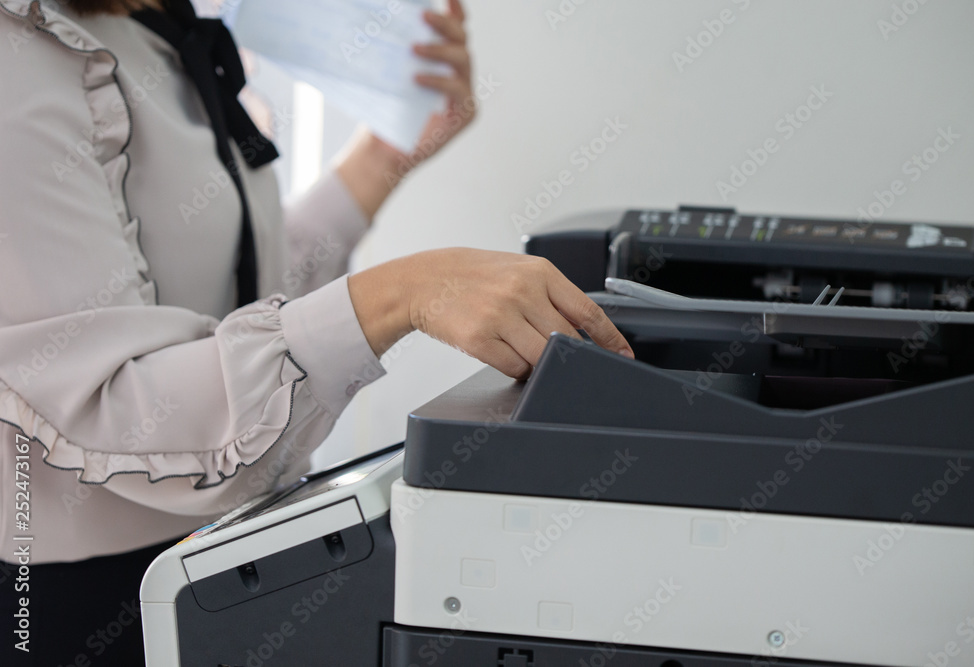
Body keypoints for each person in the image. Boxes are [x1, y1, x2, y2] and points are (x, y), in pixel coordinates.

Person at [0, 0, 633, 663]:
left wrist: (383, 159)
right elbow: (113, 410)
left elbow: (229, 310)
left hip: (224, 553)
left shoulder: (148, 21)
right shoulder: (21, 56)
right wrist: (397, 294)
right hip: (76, 606)